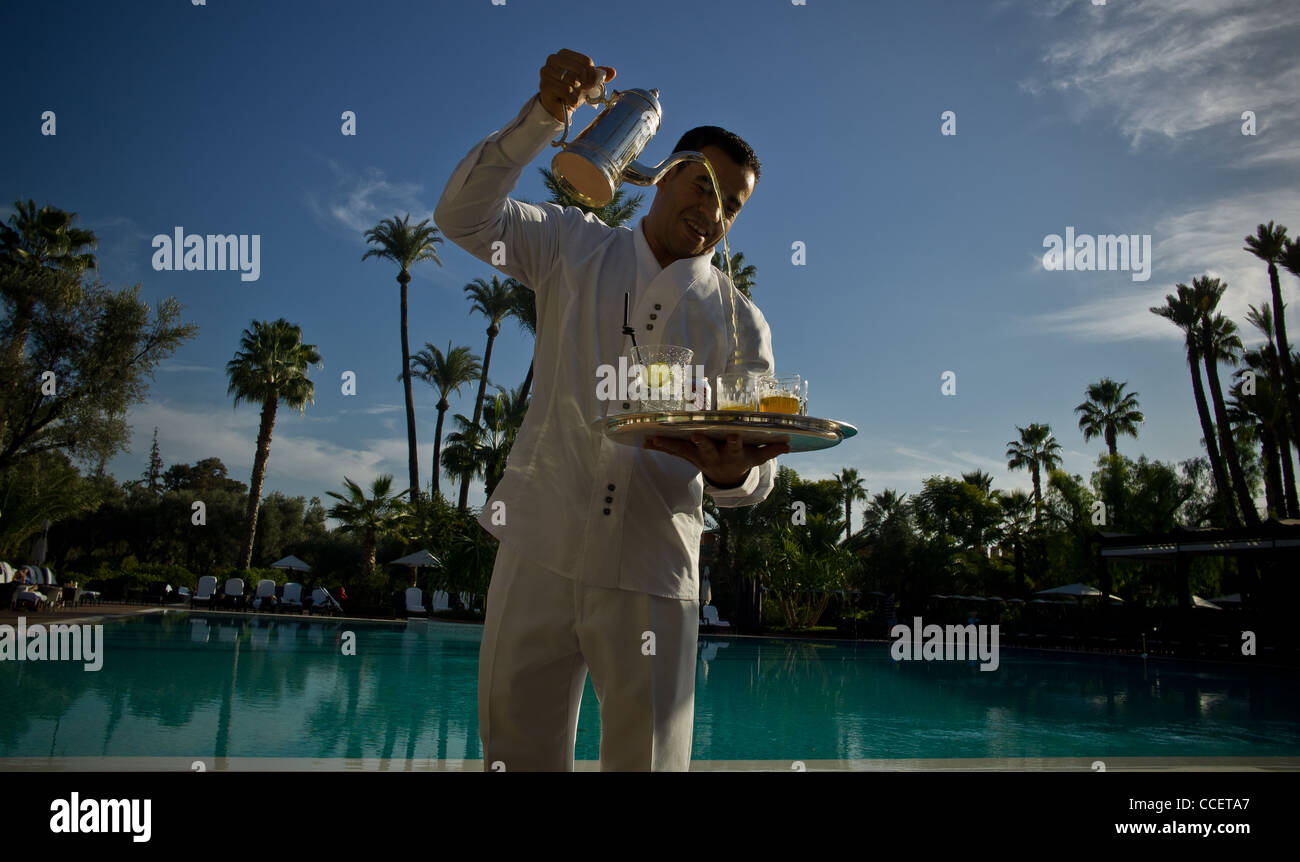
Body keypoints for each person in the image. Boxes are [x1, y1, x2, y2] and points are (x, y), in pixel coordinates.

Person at [434, 48, 788, 772]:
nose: (711, 211)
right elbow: (462, 217)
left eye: (732, 205)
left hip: (655, 570)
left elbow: (757, 471)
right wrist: (544, 119)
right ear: (665, 171)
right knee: (515, 755)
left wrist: (729, 477)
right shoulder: (569, 245)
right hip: (538, 544)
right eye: (703, 185)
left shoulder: (742, 323)